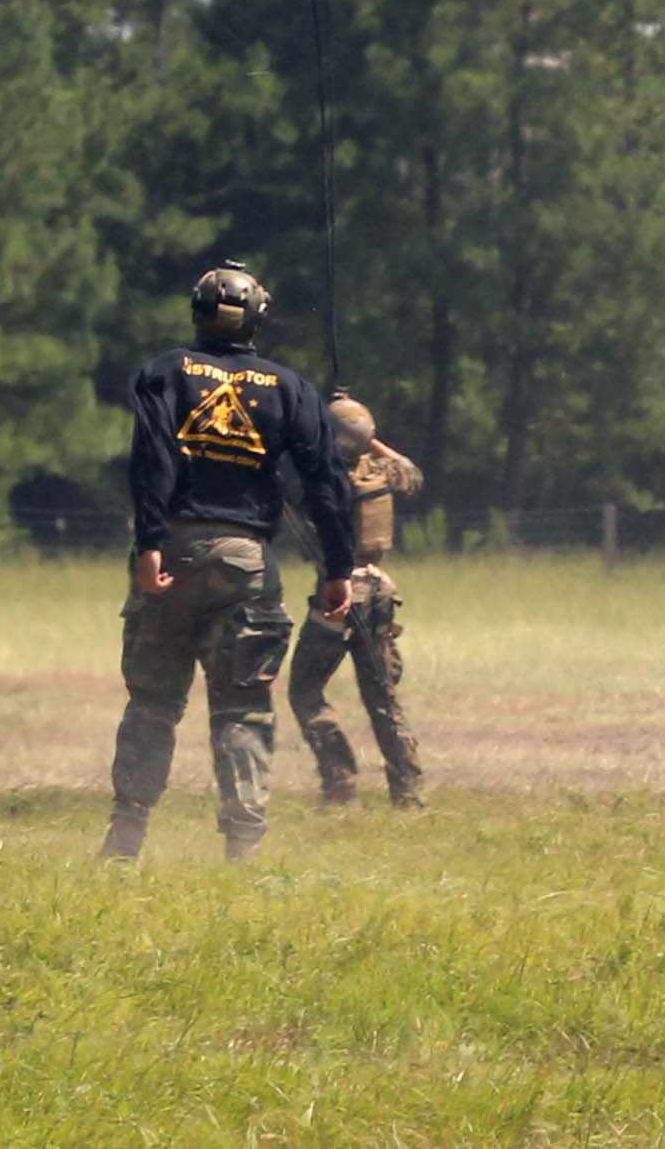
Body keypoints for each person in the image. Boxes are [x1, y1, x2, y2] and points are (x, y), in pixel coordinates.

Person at [108, 262, 363, 864]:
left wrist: (148, 546)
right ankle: (242, 855)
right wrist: (337, 568)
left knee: (151, 704)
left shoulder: (164, 374)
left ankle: (124, 847)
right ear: (257, 320)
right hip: (246, 564)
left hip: (169, 553)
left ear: (197, 312)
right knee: (242, 709)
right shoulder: (289, 387)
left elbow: (151, 463)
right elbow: (325, 482)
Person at [288, 392, 429, 808]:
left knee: (305, 690)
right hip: (381, 589)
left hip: (339, 592)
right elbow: (413, 473)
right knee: (382, 698)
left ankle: (340, 778)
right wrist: (365, 436)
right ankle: (409, 794)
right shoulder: (384, 472)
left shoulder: (326, 478)